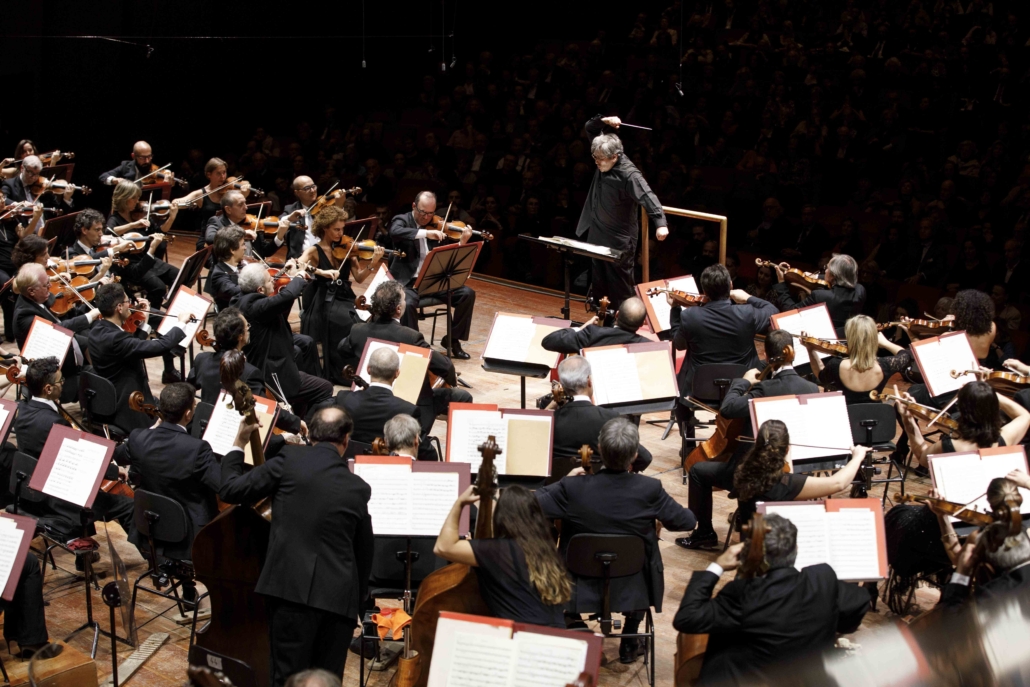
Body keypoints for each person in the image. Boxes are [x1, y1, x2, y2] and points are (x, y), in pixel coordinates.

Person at [219, 407, 373, 686]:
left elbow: (230, 489)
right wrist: (358, 608)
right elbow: (364, 552)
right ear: (346, 440)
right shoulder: (358, 487)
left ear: (309, 434)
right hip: (338, 601)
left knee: (286, 678)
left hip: (289, 592)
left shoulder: (288, 459)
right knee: (327, 680)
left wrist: (238, 444)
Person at [536, 417, 696, 663]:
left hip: (579, 582)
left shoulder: (572, 488)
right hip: (633, 583)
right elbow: (687, 522)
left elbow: (530, 503)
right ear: (633, 456)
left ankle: (573, 620)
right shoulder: (650, 489)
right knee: (645, 549)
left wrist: (564, 480)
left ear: (599, 449)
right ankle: (631, 636)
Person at [673, 512, 871, 685]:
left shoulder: (744, 594)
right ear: (795, 549)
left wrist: (717, 566)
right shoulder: (822, 579)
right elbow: (860, 601)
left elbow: (687, 617)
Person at [679, 332, 822, 549]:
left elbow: (727, 409)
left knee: (698, 470)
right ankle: (743, 515)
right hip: (792, 473)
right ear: (792, 353)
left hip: (756, 475)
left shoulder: (763, 389)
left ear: (766, 355)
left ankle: (704, 533)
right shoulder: (811, 389)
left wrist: (742, 381)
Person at [14, 357, 136, 559]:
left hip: (32, 489)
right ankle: (155, 564)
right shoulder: (54, 422)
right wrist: (115, 472)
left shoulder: (23, 410)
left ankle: (84, 555)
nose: (63, 384)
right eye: (60, 381)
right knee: (127, 506)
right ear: (48, 389)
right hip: (59, 498)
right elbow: (78, 460)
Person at [125, 383, 221, 601]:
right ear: (188, 413)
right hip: (188, 538)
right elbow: (224, 487)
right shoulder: (197, 449)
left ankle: (180, 579)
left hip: (150, 529)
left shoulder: (138, 438)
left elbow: (123, 457)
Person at [339, 280, 472, 434]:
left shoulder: (358, 331)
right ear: (398, 309)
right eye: (404, 299)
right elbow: (445, 367)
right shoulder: (410, 337)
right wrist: (451, 381)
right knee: (462, 396)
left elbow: (342, 349)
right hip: (408, 407)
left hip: (367, 397)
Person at [670, 263, 777, 454]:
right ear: (730, 285)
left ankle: (688, 445)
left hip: (701, 389)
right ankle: (744, 440)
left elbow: (679, 345)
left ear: (704, 290)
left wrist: (675, 310)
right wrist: (748, 298)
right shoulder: (747, 313)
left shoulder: (690, 316)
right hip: (743, 386)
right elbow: (773, 311)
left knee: (679, 391)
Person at [434, 484, 572, 628]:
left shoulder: (496, 550)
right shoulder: (547, 549)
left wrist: (460, 503)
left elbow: (443, 547)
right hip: (557, 636)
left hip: (521, 638)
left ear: (501, 517)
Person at [576, 116, 668, 310]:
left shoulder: (629, 174)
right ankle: (601, 320)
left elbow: (648, 196)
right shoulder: (603, 150)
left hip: (619, 239)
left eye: (601, 160)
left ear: (615, 156)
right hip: (598, 233)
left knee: (620, 285)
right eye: (595, 159)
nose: (597, 163)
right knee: (599, 282)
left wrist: (660, 224)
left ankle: (626, 322)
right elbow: (590, 127)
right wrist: (605, 121)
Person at [186, 307, 305, 447]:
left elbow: (189, 389)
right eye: (247, 326)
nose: (249, 329)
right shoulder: (249, 372)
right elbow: (262, 409)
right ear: (240, 336)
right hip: (235, 433)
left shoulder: (202, 360)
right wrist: (296, 422)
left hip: (205, 428)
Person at [234, 263, 334, 419]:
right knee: (326, 388)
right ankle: (305, 424)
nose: (274, 281)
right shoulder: (257, 307)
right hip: (272, 374)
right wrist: (299, 277)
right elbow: (286, 296)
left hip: (268, 356)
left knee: (303, 345)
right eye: (269, 280)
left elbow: (280, 305)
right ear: (260, 289)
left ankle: (298, 410)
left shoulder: (240, 299)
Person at [88, 283, 191, 431]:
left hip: (111, 396)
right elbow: (161, 346)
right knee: (176, 421)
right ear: (119, 308)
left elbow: (131, 347)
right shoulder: (116, 338)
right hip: (130, 404)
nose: (129, 304)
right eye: (126, 301)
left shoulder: (96, 330)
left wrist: (145, 320)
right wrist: (181, 323)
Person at [299, 205, 384, 384]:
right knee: (347, 323)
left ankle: (354, 370)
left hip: (344, 297)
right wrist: (321, 272)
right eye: (336, 229)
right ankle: (339, 372)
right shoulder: (315, 250)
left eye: (342, 229)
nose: (340, 233)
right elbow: (298, 264)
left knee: (358, 324)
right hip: (323, 297)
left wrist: (373, 263)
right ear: (325, 228)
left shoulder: (348, 249)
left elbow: (360, 278)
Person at [387, 191, 477, 358]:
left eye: (431, 213)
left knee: (467, 294)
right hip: (408, 282)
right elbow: (395, 231)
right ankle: (415, 346)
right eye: (423, 212)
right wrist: (426, 233)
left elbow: (448, 257)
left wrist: (462, 242)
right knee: (407, 301)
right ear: (414, 206)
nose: (426, 217)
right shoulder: (402, 220)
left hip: (432, 280)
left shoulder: (438, 225)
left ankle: (452, 339)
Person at [12, 263, 101, 403]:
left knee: (96, 349)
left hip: (70, 354)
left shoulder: (36, 298)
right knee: (99, 377)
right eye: (45, 284)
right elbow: (57, 328)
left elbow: (58, 296)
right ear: (31, 291)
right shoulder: (24, 316)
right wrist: (88, 317)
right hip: (56, 376)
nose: (50, 286)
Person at [938, 476, 1030, 608]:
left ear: (989, 502)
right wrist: (1027, 482)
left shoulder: (988, 598)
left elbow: (958, 560)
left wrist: (942, 517)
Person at [550, 356, 652, 473]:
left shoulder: (550, 421)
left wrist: (545, 412)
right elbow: (645, 458)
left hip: (558, 487)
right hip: (604, 488)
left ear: (562, 386)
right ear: (589, 381)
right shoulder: (612, 419)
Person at [898, 380, 1030, 468]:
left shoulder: (948, 446)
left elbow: (922, 457)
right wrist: (989, 394)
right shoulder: (1005, 439)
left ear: (961, 409)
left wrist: (908, 420)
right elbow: (1025, 415)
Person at [804, 314, 912, 405]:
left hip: (847, 417)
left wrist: (810, 350)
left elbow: (820, 375)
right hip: (876, 418)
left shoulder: (836, 365)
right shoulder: (885, 365)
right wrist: (885, 343)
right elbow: (905, 355)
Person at [337, 347, 427, 455]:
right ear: (397, 373)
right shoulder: (408, 410)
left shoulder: (343, 399)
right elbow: (426, 452)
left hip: (345, 464)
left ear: (368, 369)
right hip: (386, 469)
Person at [771, 254, 866, 336]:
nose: (825, 271)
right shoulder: (860, 291)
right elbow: (846, 281)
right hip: (849, 340)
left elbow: (791, 310)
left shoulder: (820, 296)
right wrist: (814, 277)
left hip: (825, 344)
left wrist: (781, 282)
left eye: (827, 268)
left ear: (833, 276)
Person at [541, 296, 651, 353]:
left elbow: (549, 341)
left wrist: (582, 328)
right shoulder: (649, 346)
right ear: (642, 324)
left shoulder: (593, 334)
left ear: (617, 314)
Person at [202, 190, 290, 258]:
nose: (246, 207)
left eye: (245, 203)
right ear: (228, 209)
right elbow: (210, 238)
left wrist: (279, 236)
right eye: (241, 205)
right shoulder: (216, 221)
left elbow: (264, 252)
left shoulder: (252, 223)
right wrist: (241, 234)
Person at [2, 155, 74, 233]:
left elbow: (59, 212)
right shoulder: (10, 184)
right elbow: (3, 199)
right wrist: (18, 204)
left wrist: (66, 198)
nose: (34, 178)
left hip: (45, 234)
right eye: (31, 173)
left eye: (37, 174)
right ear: (22, 168)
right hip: (23, 235)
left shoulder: (42, 186)